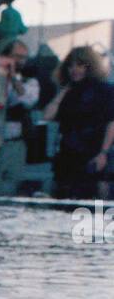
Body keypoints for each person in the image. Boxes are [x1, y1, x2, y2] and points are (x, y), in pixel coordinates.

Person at [43, 46, 114, 198]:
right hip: (68, 151)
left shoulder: (105, 90)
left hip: (93, 148)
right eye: (71, 65)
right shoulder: (69, 92)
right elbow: (48, 116)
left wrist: (103, 152)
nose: (74, 69)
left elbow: (111, 122)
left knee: (96, 194)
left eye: (80, 65)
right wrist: (63, 92)